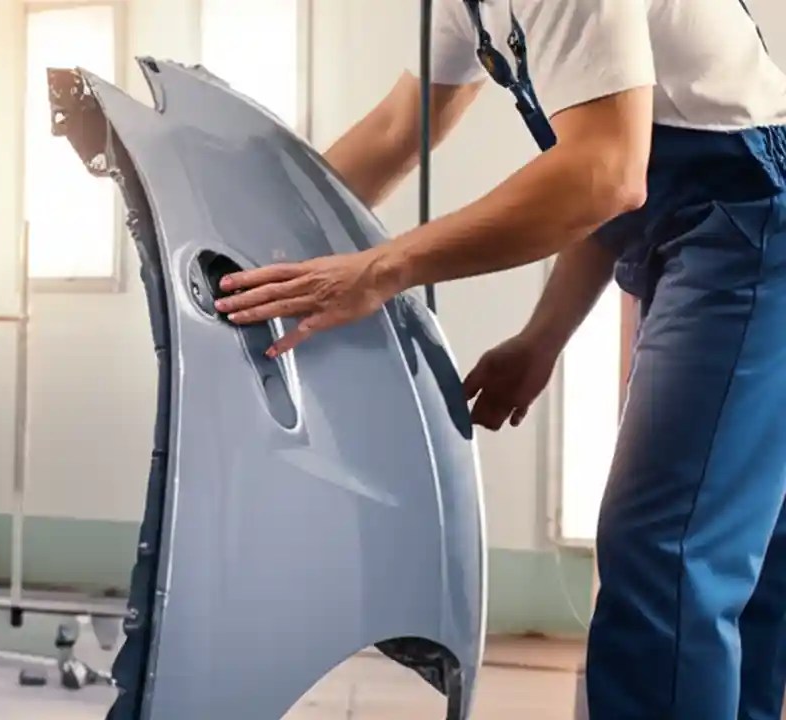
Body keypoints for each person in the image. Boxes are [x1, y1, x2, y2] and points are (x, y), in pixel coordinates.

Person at [214, 0, 786, 717]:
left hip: (752, 230)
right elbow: (398, 129)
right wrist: (239, 242)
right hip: (714, 229)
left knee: (668, 551)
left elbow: (607, 172)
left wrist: (382, 269)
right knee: (737, 562)